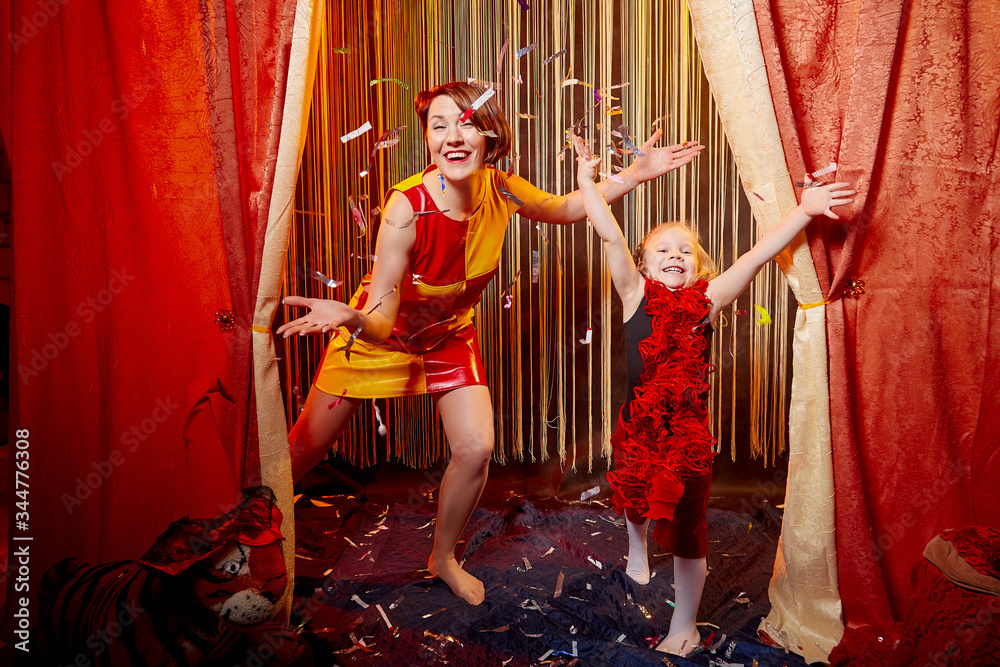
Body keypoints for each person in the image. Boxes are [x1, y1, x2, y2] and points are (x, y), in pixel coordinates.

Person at [276, 81, 704, 606]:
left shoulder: (500, 187)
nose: (453, 137)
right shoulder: (404, 209)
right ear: (427, 139)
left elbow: (568, 209)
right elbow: (381, 321)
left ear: (488, 134)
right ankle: (245, 543)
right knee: (301, 450)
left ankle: (443, 557)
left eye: (467, 123)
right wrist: (347, 314)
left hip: (449, 335)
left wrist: (634, 174)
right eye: (439, 126)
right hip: (375, 336)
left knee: (476, 448)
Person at [572, 133, 854, 654]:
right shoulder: (633, 294)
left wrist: (807, 210)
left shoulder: (708, 300)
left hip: (688, 440)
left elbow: (757, 254)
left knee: (687, 533)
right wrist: (589, 183)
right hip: (637, 427)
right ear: (645, 262)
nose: (675, 255)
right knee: (634, 498)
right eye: (663, 249)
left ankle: (684, 626)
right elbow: (609, 237)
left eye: (686, 250)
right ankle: (635, 549)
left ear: (699, 267)